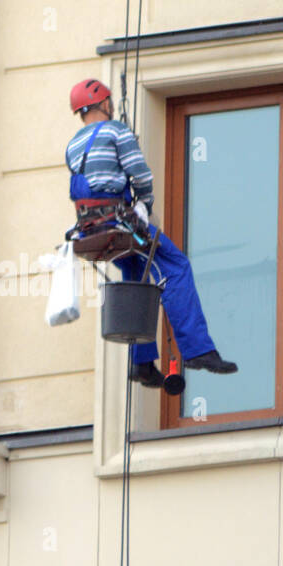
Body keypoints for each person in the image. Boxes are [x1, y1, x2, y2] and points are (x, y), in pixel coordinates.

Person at [65, 78, 238, 387]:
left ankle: (142, 363)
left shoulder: (73, 145)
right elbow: (140, 173)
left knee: (136, 276)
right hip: (120, 223)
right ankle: (198, 350)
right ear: (104, 103)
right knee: (175, 266)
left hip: (91, 229)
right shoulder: (117, 131)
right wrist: (145, 204)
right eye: (109, 102)